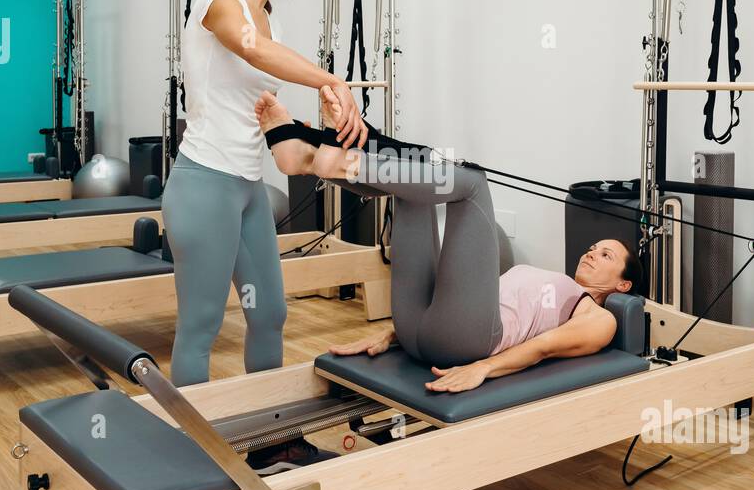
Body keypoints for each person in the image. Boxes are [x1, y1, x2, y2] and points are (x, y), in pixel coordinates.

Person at [255, 88, 644, 394]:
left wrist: (483, 369)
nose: (593, 252)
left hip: (468, 344)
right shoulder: (553, 281)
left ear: (622, 284)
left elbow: (542, 348)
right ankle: (313, 157)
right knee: (419, 186)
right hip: (413, 328)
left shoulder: (600, 318)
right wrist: (391, 336)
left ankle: (344, 156)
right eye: (595, 247)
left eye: (607, 254)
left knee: (472, 184)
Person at [162, 0, 368, 386]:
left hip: (249, 187)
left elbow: (267, 117)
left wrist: (319, 126)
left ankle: (269, 434)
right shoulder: (219, 2)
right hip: (204, 185)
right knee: (202, 324)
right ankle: (192, 449)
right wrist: (330, 80)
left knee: (270, 313)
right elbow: (251, 47)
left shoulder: (274, 23)